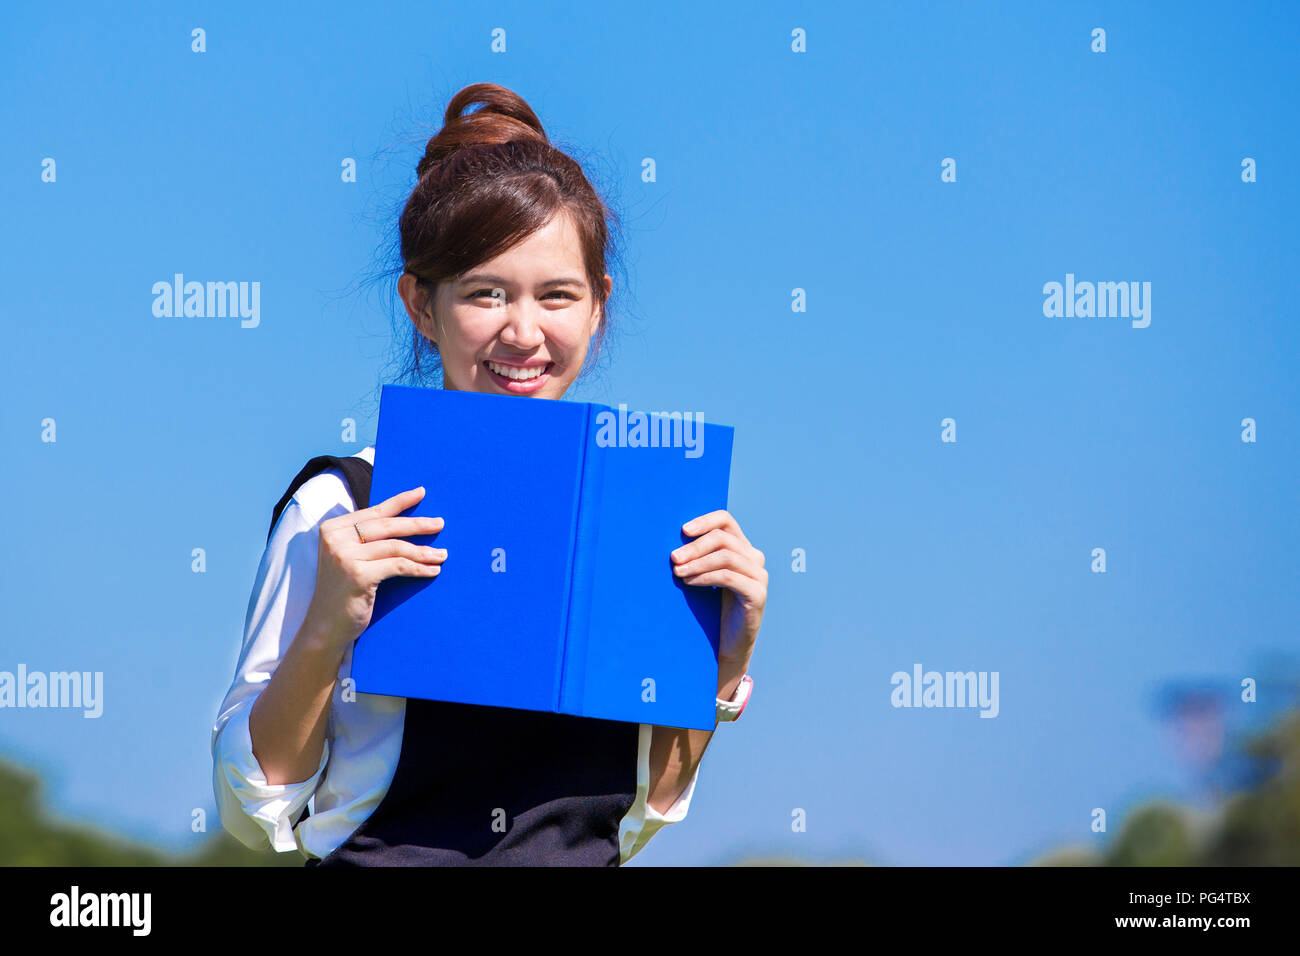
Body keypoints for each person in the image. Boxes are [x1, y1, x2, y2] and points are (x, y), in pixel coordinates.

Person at [210, 82, 766, 866]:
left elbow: (638, 820)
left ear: (598, 306)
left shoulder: (647, 510)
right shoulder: (344, 505)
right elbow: (253, 811)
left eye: (557, 295)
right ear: (420, 304)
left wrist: (724, 662)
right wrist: (328, 627)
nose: (524, 331)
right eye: (485, 293)